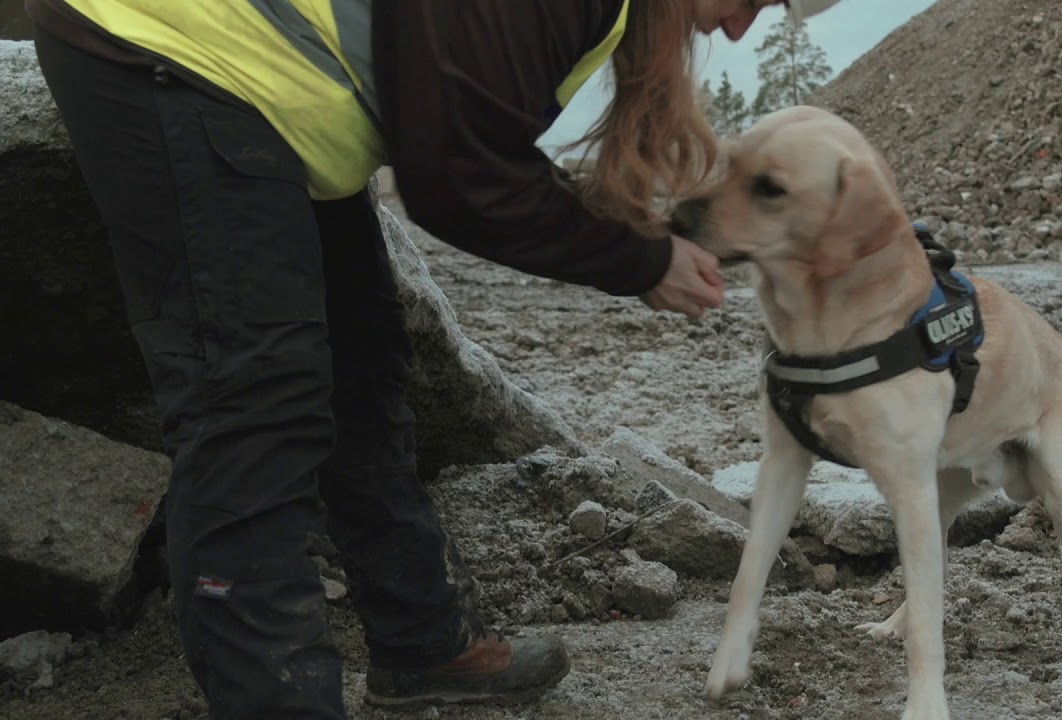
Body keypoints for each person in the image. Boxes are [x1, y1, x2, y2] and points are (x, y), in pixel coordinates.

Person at [24, 0, 839, 717]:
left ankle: (420, 642)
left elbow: (470, 131)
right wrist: (639, 264)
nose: (737, 25)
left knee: (363, 367)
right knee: (254, 402)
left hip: (280, 99)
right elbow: (457, 179)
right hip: (172, 47)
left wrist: (636, 243)